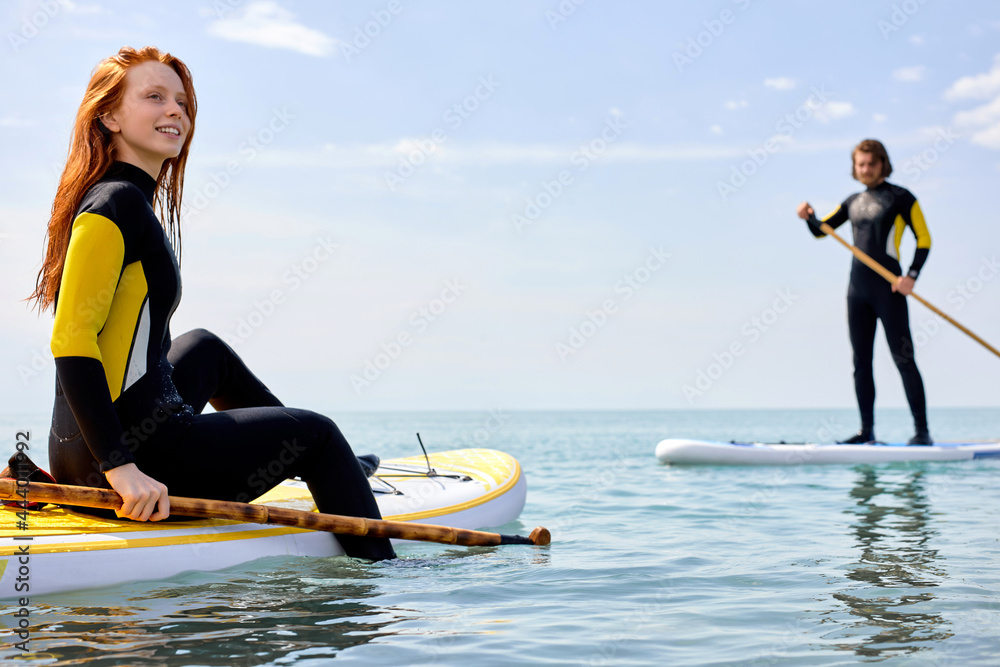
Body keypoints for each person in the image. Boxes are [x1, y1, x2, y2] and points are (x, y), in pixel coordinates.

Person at [28, 46, 395, 560]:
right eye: (154, 97)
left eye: (181, 101)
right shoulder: (115, 204)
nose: (175, 111)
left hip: (83, 454)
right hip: (132, 462)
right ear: (109, 116)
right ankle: (380, 577)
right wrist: (122, 468)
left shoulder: (123, 200)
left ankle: (340, 470)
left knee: (204, 348)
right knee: (317, 434)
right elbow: (71, 339)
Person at [796, 139, 932, 445]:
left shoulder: (902, 198)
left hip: (890, 288)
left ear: (882, 164)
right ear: (855, 168)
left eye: (871, 163)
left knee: (903, 358)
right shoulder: (852, 202)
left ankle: (922, 432)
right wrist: (809, 215)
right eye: (861, 164)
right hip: (857, 290)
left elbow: (924, 239)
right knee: (861, 362)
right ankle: (866, 431)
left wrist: (911, 276)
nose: (866, 169)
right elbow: (821, 230)